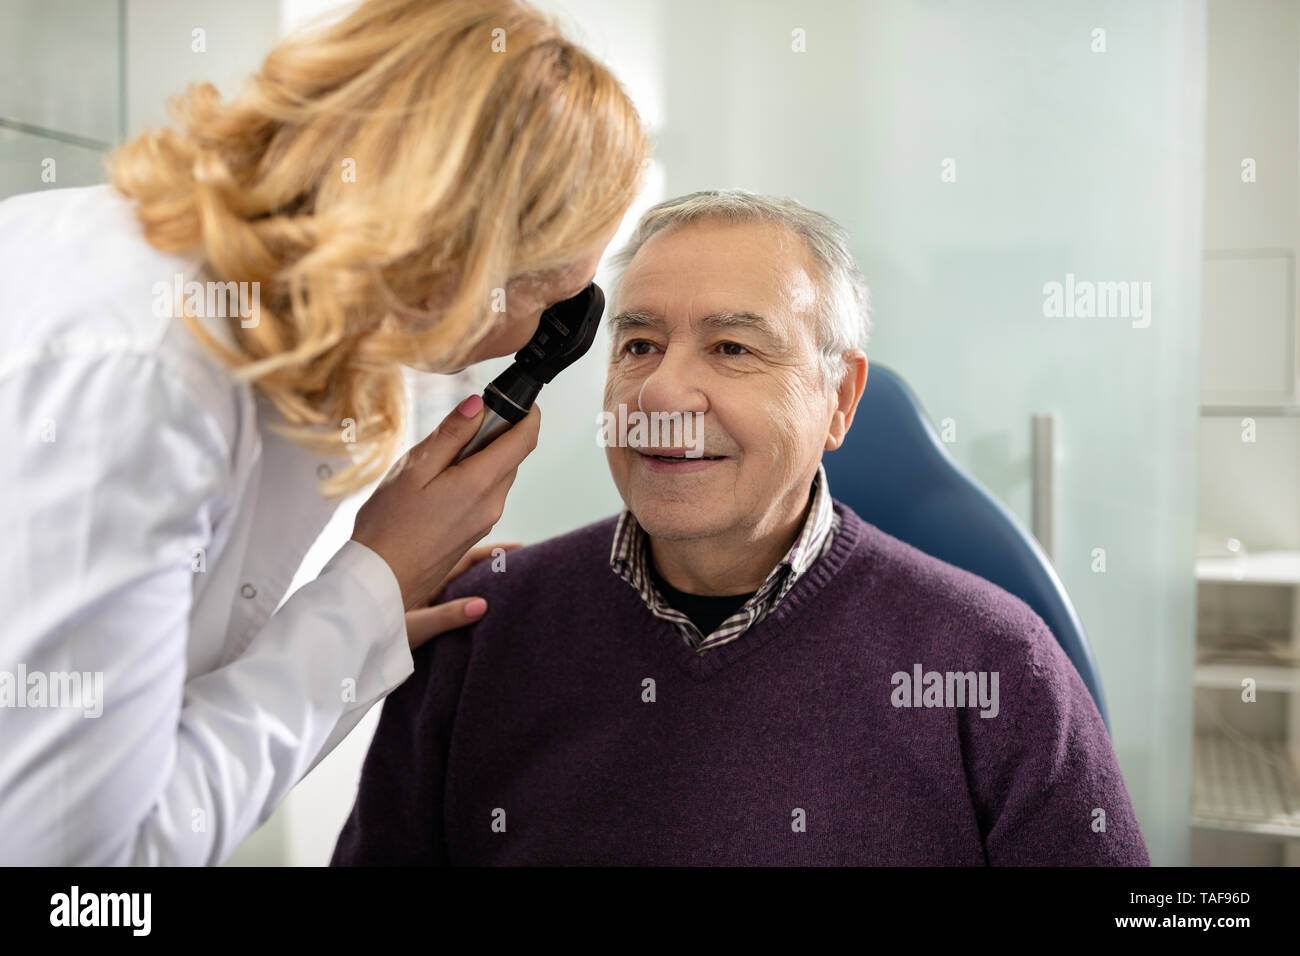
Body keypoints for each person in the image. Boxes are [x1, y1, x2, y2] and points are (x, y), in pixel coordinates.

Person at [0, 0, 649, 865]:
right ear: (457, 262)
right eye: (555, 294)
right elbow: (81, 878)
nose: (561, 326)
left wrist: (370, 604)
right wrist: (368, 587)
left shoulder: (222, 306)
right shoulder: (141, 374)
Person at [331, 190, 1150, 866]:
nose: (659, 394)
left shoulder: (996, 664)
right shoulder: (477, 630)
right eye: (640, 345)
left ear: (840, 399)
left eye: (731, 348)